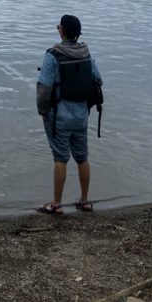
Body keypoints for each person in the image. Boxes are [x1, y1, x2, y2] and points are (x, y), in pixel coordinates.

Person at [36, 13, 103, 215]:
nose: (58, 28)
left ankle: (56, 203)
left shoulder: (53, 55)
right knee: (82, 158)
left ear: (62, 31)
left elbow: (44, 88)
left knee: (60, 158)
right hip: (81, 117)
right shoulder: (86, 54)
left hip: (59, 118)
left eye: (59, 26)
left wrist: (42, 111)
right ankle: (84, 200)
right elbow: (98, 80)